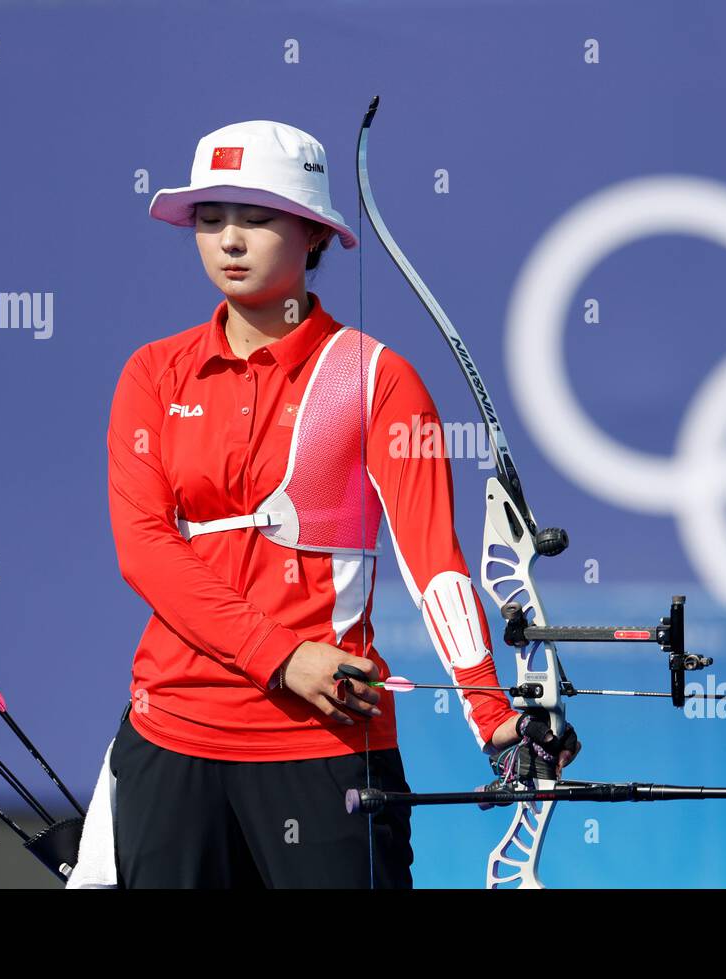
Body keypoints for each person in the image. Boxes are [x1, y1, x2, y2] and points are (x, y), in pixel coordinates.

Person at [104, 119, 579, 888]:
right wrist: (282, 656)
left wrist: (497, 717)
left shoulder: (376, 379)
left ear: (314, 234)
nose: (229, 239)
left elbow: (436, 566)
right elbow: (145, 548)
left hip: (324, 749)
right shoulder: (153, 374)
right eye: (210, 218)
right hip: (172, 741)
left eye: (257, 218)